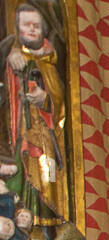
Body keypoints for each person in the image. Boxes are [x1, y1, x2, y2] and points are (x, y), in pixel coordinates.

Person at [1, 3, 66, 224]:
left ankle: (46, 227)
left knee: (45, 181)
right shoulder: (13, 58)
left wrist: (45, 99)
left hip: (43, 138)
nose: (30, 29)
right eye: (25, 25)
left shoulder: (48, 64)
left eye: (36, 25)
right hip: (19, 136)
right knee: (19, 179)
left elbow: (59, 100)